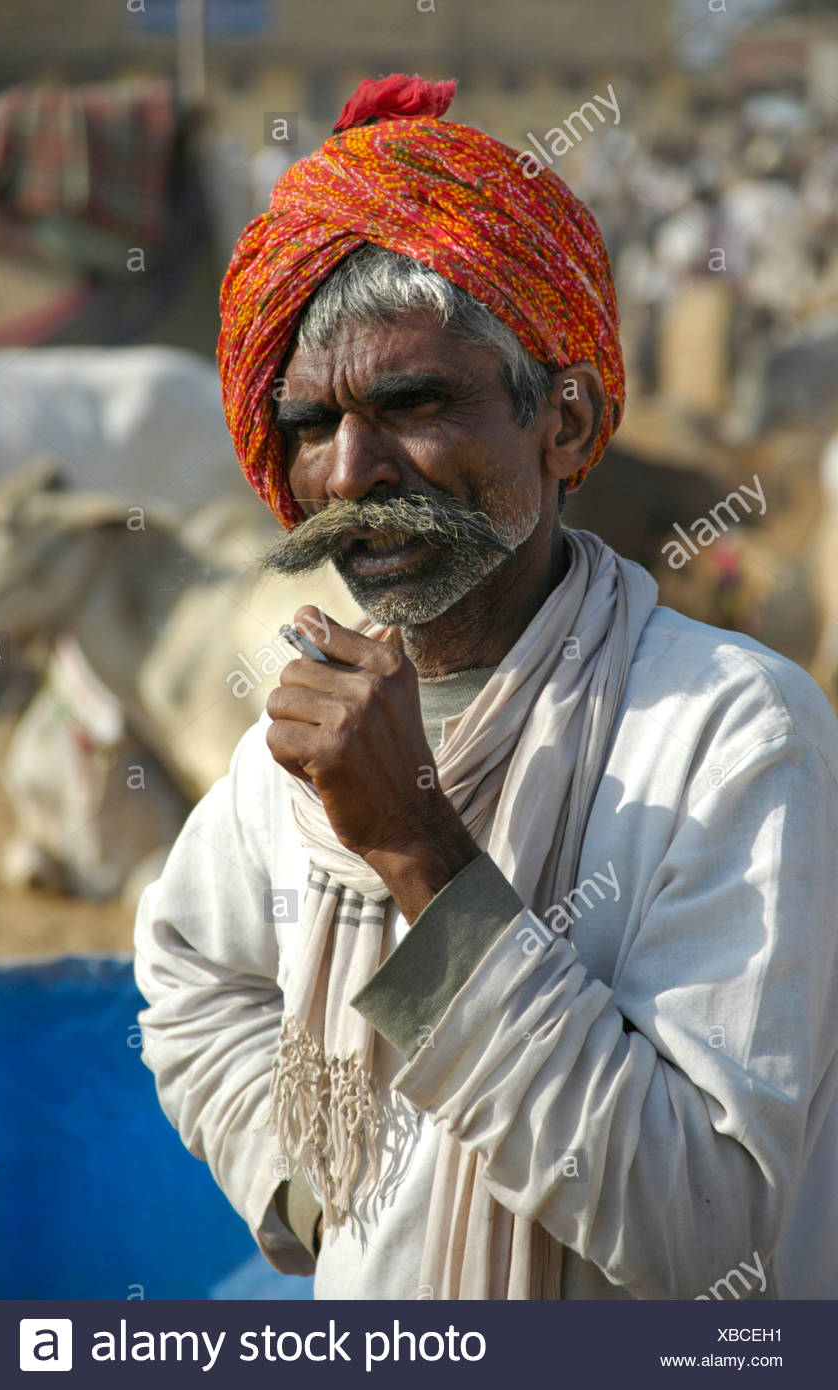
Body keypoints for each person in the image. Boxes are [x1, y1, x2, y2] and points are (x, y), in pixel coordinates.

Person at [134, 74, 838, 1300]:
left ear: (564, 425)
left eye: (414, 403)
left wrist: (415, 843)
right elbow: (190, 975)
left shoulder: (735, 736)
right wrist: (309, 1184)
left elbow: (709, 1232)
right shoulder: (294, 751)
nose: (351, 469)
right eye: (309, 423)